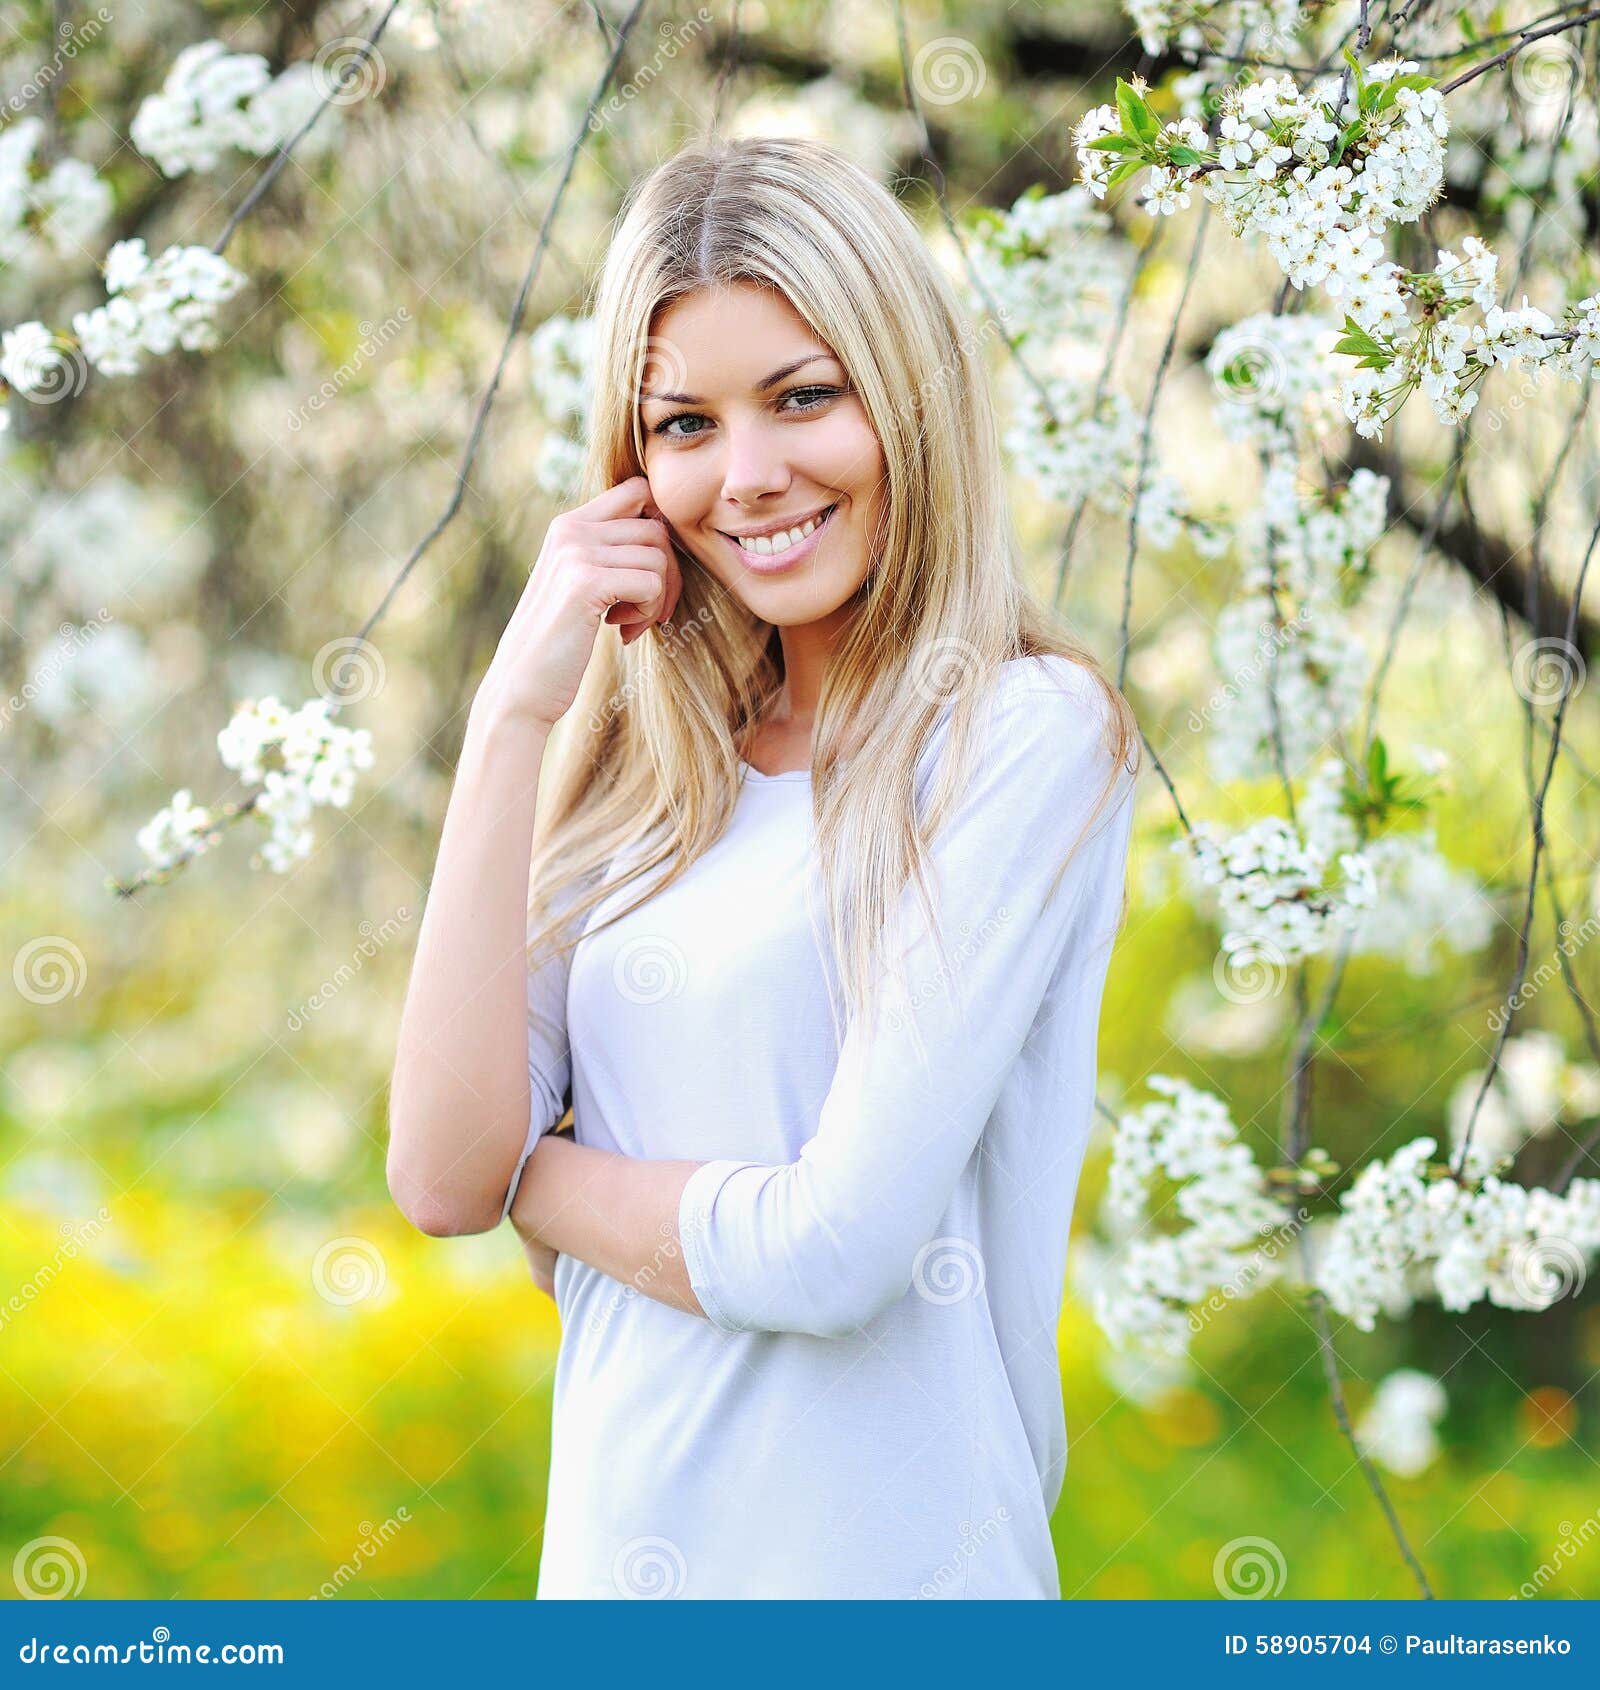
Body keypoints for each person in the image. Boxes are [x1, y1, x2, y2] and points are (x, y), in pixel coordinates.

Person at [386, 133, 1139, 1600]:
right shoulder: (639, 778)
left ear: (907, 395)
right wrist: (510, 720)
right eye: (686, 424)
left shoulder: (1021, 735)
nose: (748, 476)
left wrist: (543, 1180)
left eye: (804, 397)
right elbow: (436, 1172)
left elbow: (833, 1249)